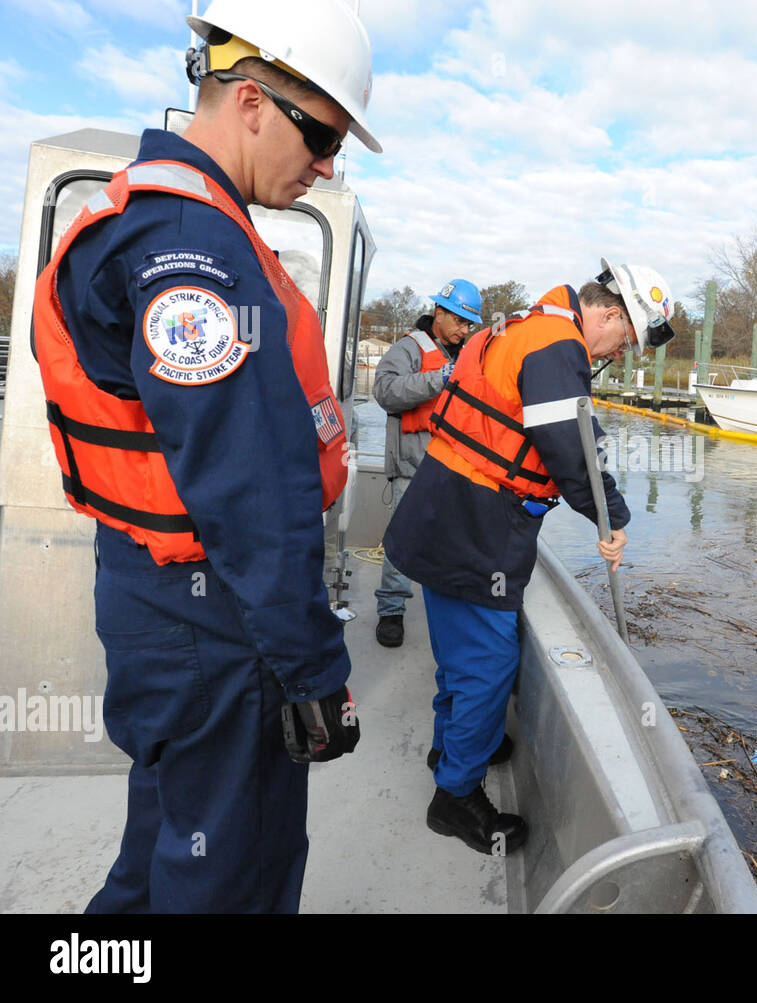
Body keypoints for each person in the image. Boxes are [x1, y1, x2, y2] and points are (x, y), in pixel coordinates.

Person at [32, 0, 380, 912]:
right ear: (254, 101)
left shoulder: (163, 222)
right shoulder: (193, 252)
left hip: (162, 602)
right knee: (232, 869)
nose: (326, 164)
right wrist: (315, 673)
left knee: (165, 839)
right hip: (213, 625)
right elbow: (250, 496)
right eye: (323, 135)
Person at [385, 258, 675, 855]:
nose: (622, 353)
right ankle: (455, 795)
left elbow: (567, 433)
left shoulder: (534, 327)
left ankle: (455, 745)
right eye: (626, 340)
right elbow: (570, 452)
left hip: (449, 511)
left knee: (461, 656)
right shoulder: (555, 345)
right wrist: (611, 516)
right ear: (612, 314)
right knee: (488, 663)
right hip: (473, 525)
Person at [372, 281, 482, 648]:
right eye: (460, 321)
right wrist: (440, 378)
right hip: (412, 466)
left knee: (452, 543)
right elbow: (386, 392)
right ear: (440, 313)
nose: (465, 330)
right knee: (403, 542)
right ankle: (391, 611)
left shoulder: (467, 353)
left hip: (453, 467)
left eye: (470, 325)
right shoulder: (408, 349)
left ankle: (451, 612)